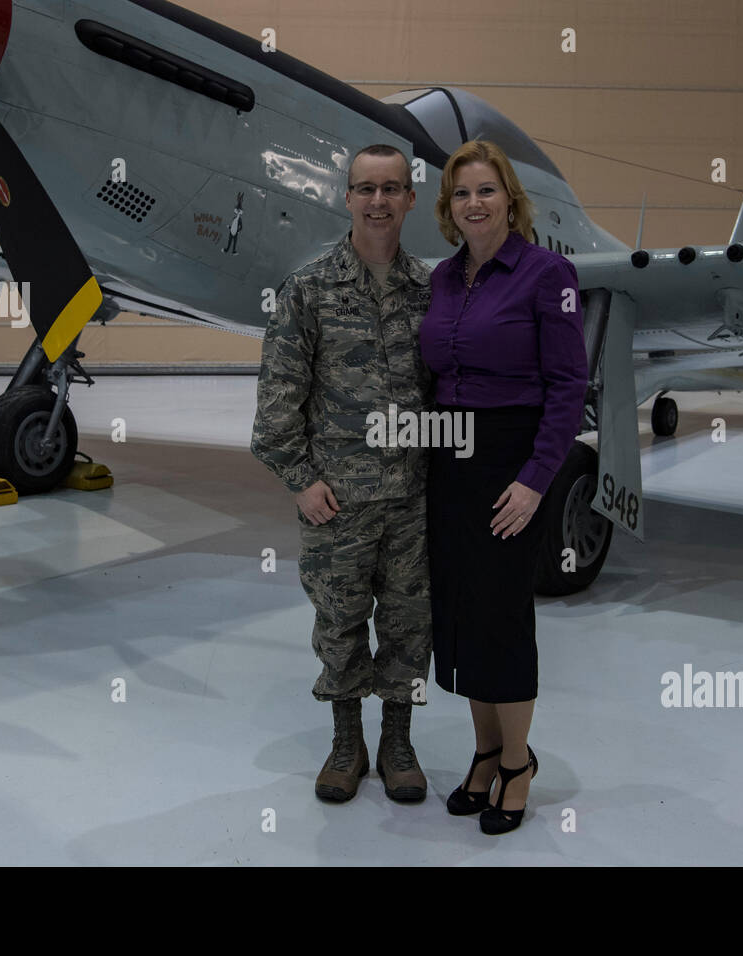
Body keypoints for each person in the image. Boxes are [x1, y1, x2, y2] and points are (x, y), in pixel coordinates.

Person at [251, 144, 434, 804]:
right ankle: (346, 741)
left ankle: (398, 741)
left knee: (412, 627)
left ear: (411, 199)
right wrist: (301, 479)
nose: (379, 201)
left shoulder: (432, 292)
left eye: (392, 189)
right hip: (338, 502)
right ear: (347, 198)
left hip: (413, 501)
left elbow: (449, 393)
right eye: (366, 189)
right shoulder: (309, 289)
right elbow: (278, 402)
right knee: (340, 624)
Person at [419, 140, 587, 835]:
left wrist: (535, 481)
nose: (474, 204)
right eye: (461, 194)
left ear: (510, 200)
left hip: (511, 460)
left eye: (487, 191)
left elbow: (569, 386)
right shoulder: (442, 280)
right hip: (449, 462)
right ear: (448, 207)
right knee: (459, 614)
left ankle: (518, 763)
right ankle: (485, 752)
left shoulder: (549, 275)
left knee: (503, 614)